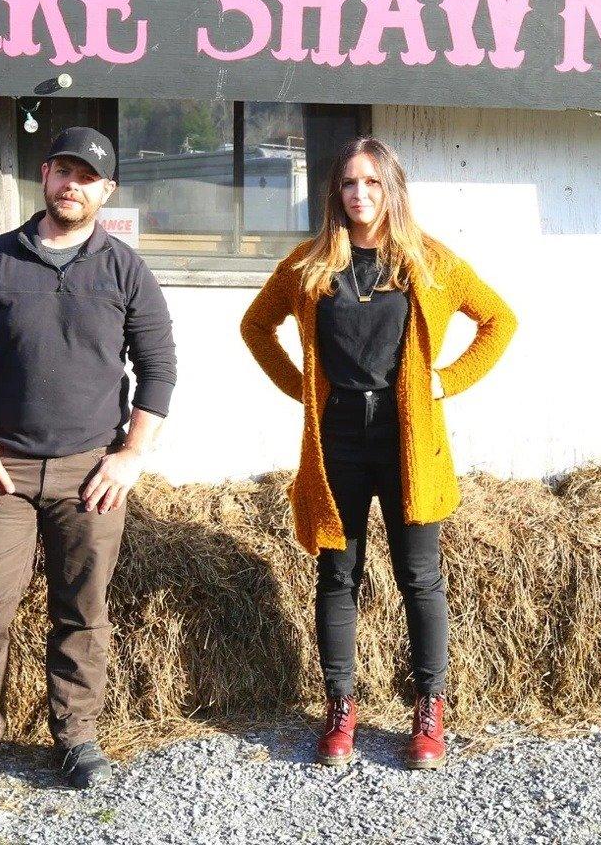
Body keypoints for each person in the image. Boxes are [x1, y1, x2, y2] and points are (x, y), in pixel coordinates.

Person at [239, 136, 515, 770]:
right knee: (337, 576)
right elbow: (257, 326)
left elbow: (499, 320)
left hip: (407, 438)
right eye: (346, 184)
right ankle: (341, 706)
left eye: (370, 183)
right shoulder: (310, 263)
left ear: (392, 189)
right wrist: (300, 386)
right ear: (334, 194)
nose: (358, 195)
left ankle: (429, 709)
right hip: (336, 438)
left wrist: (448, 379)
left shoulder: (429, 261)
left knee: (420, 578)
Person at [0, 125, 176, 803]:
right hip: (1, 470)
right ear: (45, 174)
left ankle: (76, 738)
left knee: (82, 610)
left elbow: (158, 367)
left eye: (87, 176)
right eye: (63, 170)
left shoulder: (124, 268)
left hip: (90, 473)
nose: (72, 184)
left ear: (107, 190)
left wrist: (130, 457)